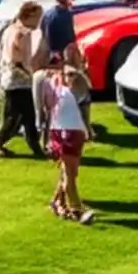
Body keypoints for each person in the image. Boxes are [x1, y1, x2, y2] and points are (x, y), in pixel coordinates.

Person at [0, 2, 44, 157]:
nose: (39, 21)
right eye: (37, 17)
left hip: (12, 79)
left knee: (28, 116)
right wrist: (31, 74)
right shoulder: (21, 33)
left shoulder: (10, 29)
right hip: (17, 81)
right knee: (14, 116)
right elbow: (16, 60)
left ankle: (35, 146)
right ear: (28, 16)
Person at [41, 65, 95, 225]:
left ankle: (57, 202)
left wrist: (87, 130)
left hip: (76, 133)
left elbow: (83, 113)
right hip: (62, 133)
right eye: (69, 74)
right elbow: (46, 109)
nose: (72, 77)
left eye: (74, 74)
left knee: (71, 172)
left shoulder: (78, 90)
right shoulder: (55, 88)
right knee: (69, 174)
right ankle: (77, 209)